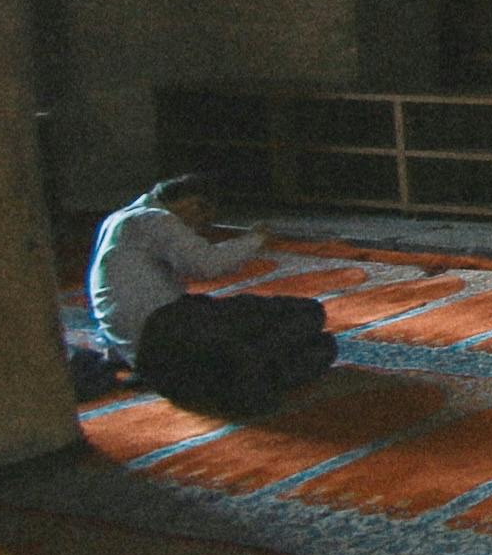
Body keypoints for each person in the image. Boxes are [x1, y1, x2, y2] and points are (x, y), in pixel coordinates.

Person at [88, 175, 334, 416]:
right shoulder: (153, 219)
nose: (198, 230)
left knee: (267, 332)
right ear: (193, 204)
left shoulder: (118, 220)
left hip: (146, 355)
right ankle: (254, 367)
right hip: (172, 326)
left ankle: (251, 366)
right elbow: (207, 264)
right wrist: (257, 238)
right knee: (308, 316)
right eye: (203, 221)